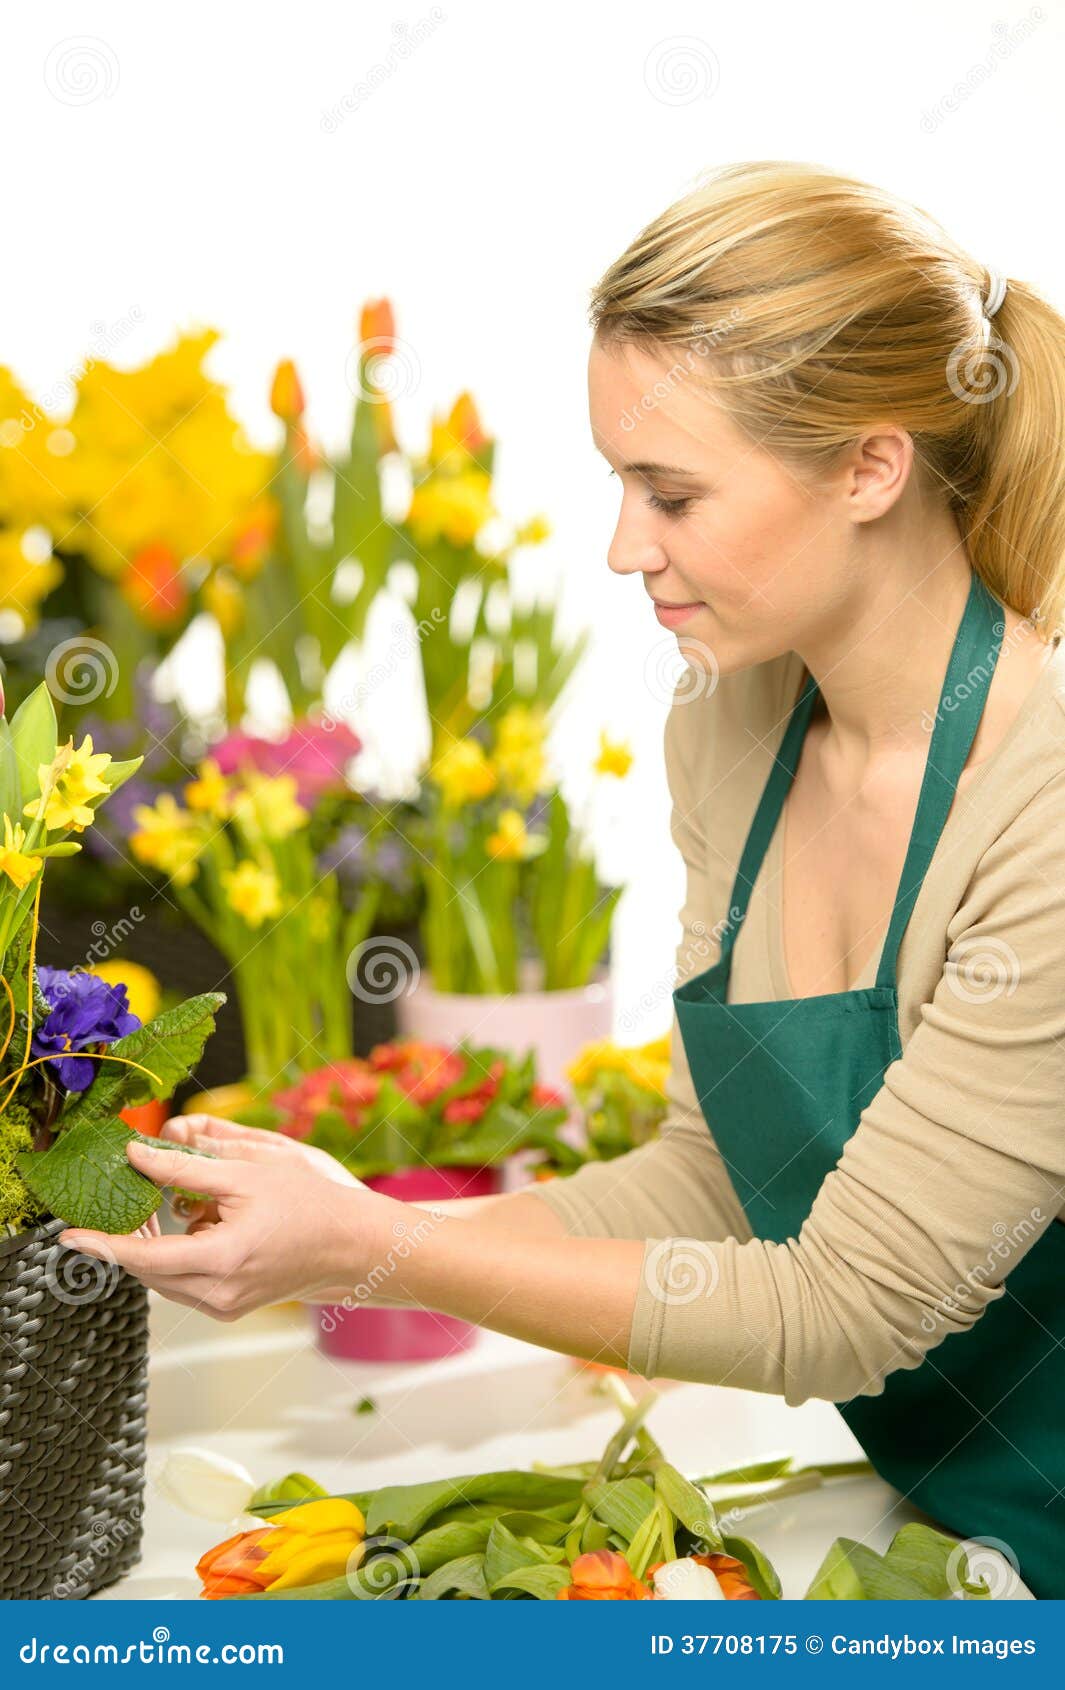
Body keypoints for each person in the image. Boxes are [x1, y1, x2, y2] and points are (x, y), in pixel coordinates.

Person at [62, 161, 1065, 1596]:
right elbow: (714, 1180)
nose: (619, 548)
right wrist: (339, 1233)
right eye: (617, 483)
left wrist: (385, 1249)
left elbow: (843, 1304)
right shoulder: (731, 724)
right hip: (953, 1526)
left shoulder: (1041, 799)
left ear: (867, 465)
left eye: (670, 492)